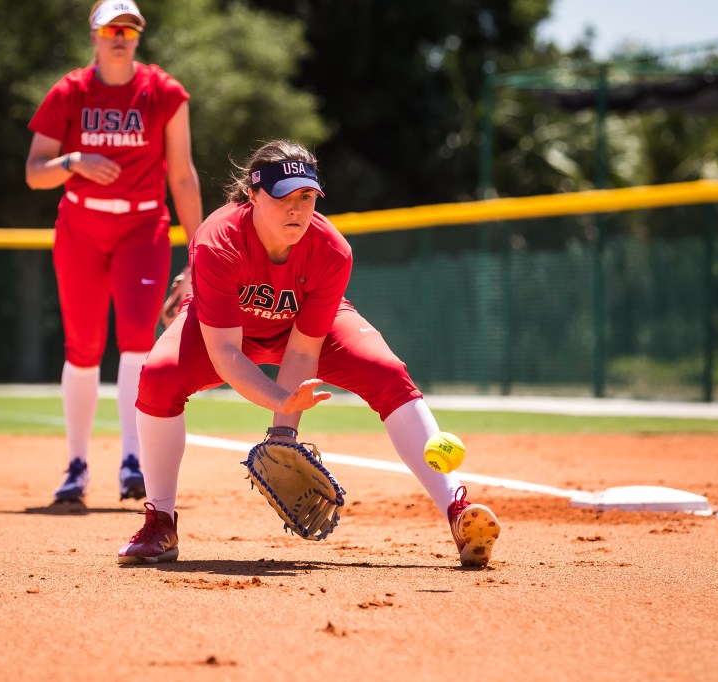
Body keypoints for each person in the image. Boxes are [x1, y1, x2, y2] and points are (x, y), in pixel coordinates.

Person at [117, 139, 500, 567]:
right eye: (283, 198)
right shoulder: (218, 241)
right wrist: (280, 399)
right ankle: (161, 521)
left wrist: (283, 434)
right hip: (228, 333)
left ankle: (457, 509)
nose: (297, 209)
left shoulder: (331, 250)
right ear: (253, 195)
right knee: (158, 374)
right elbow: (225, 352)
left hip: (299, 329)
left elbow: (303, 349)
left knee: (386, 372)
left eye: (306, 197)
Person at [25, 0, 202, 505]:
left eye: (129, 27)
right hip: (81, 225)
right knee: (81, 346)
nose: (119, 35)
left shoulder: (163, 92)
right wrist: (75, 159)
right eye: (110, 27)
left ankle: (132, 461)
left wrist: (198, 250)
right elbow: (35, 172)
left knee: (135, 343)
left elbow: (183, 174)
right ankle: (77, 465)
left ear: (138, 36)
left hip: (143, 226)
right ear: (94, 35)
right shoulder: (72, 91)